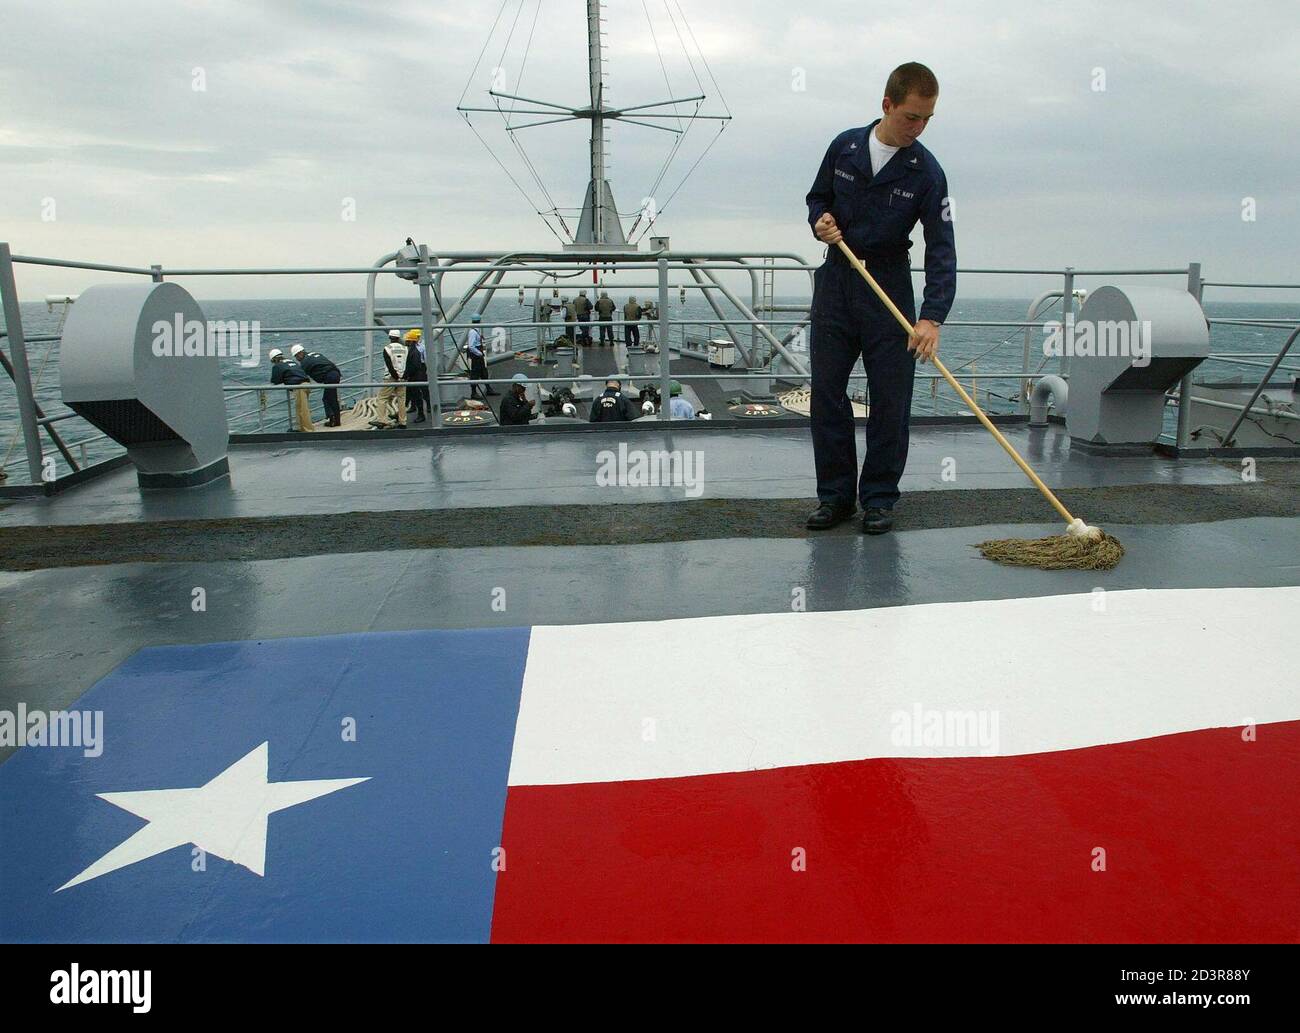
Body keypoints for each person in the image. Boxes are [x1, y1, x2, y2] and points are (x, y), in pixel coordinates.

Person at [803, 61, 955, 536]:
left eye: (928, 118)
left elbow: (941, 246)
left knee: (891, 400)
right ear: (887, 105)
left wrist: (931, 317)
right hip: (837, 281)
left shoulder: (927, 172)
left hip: (889, 287)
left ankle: (879, 499)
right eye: (912, 117)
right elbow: (817, 198)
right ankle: (835, 498)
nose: (919, 128)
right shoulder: (843, 147)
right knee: (827, 395)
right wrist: (820, 222)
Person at [290, 343, 342, 427]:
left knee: (329, 399)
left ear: (299, 354)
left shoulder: (304, 362)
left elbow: (301, 376)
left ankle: (334, 420)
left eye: (296, 357)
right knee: (329, 398)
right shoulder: (315, 353)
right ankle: (335, 419)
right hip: (335, 373)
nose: (297, 359)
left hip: (330, 377)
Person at [269, 348, 316, 431]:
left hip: (299, 387)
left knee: (303, 409)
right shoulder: (291, 361)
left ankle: (309, 430)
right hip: (307, 384)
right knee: (299, 408)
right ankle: (301, 428)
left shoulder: (278, 366)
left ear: (274, 359)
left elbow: (275, 381)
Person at [369, 333, 408, 429]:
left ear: (390, 337)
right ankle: (403, 421)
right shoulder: (405, 349)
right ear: (399, 338)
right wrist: (401, 376)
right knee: (401, 399)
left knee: (382, 398)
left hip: (391, 377)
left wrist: (395, 376)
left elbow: (389, 364)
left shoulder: (387, 348)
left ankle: (382, 420)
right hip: (402, 376)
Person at [402, 330, 428, 423]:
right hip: (414, 376)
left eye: (407, 340)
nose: (405, 342)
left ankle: (421, 414)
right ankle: (401, 412)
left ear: (411, 341)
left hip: (415, 376)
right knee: (409, 394)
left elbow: (414, 365)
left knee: (417, 395)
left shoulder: (414, 352)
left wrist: (406, 375)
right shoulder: (413, 350)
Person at [466, 313, 494, 398]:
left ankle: (488, 389)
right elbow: (471, 346)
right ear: (479, 321)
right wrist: (479, 353)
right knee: (475, 373)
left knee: (483, 372)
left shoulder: (475, 331)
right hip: (476, 355)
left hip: (478, 355)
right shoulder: (473, 332)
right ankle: (473, 393)